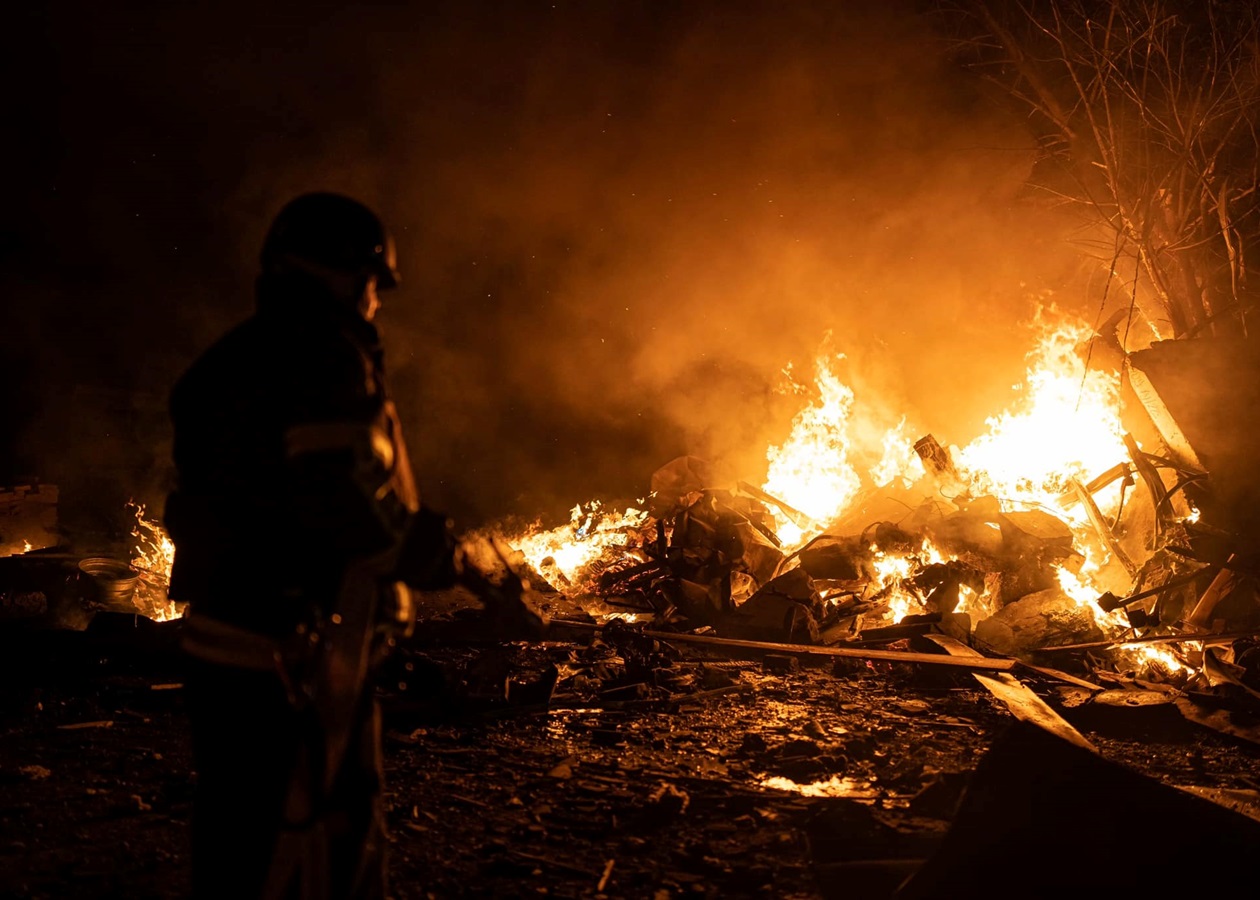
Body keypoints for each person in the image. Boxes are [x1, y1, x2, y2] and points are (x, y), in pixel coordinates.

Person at [165, 193, 524, 899]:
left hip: (222, 644)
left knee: (239, 841)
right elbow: (340, 503)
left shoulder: (226, 362)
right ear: (336, 274)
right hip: (298, 656)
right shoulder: (324, 355)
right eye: (370, 283)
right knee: (323, 847)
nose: (375, 302)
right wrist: (448, 561)